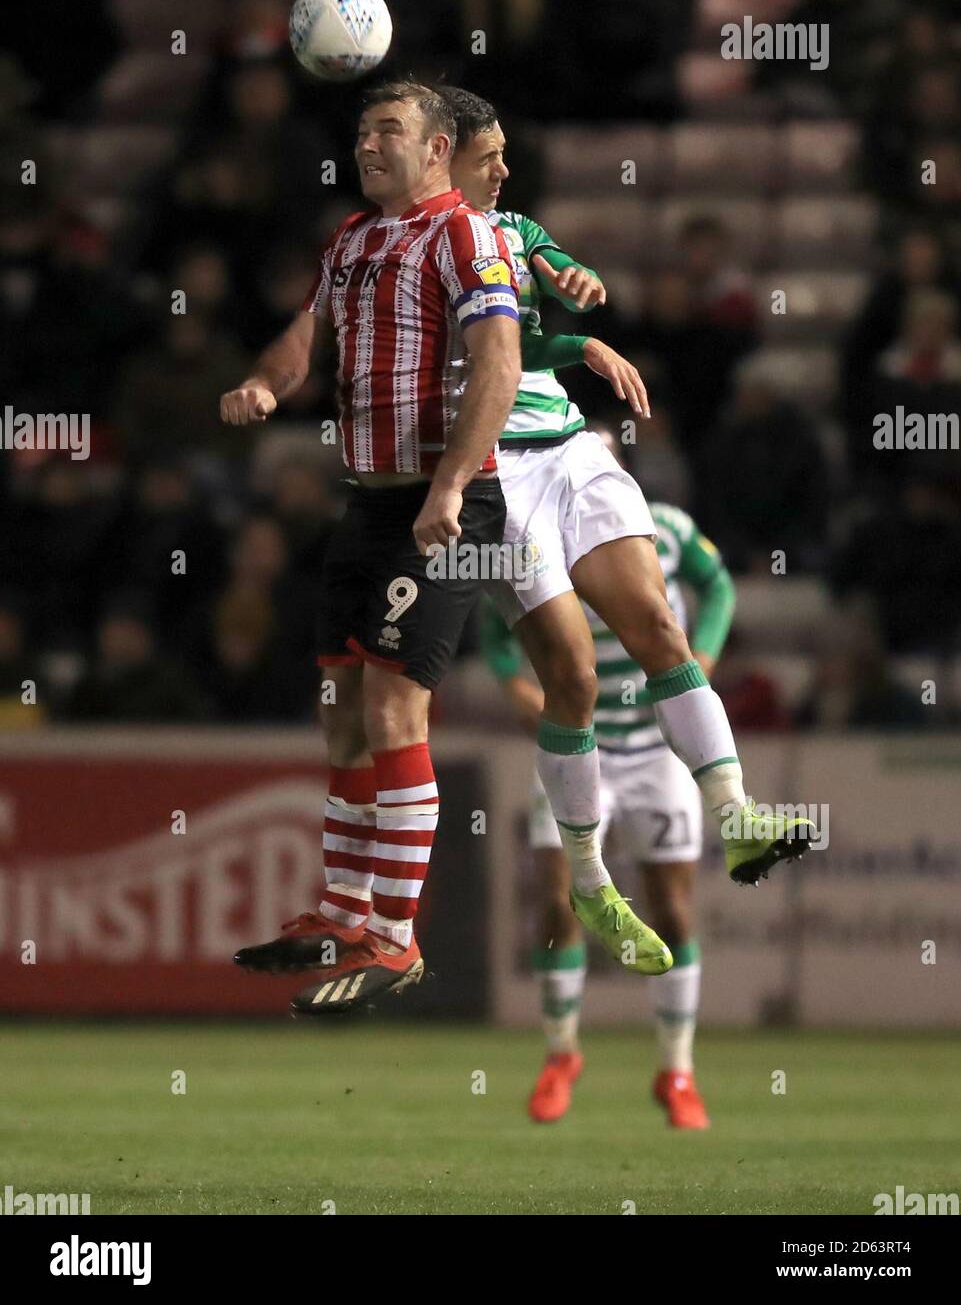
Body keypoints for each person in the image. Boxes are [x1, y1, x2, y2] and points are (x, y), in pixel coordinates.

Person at [439, 85, 815, 924]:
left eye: (505, 152)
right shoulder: (416, 252)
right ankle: (586, 872)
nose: (504, 169)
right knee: (571, 676)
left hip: (568, 443)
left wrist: (580, 306)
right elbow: (478, 353)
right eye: (487, 155)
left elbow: (546, 304)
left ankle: (736, 815)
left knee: (656, 625)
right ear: (441, 157)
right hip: (495, 466)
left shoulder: (514, 232)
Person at [220, 80, 522, 1013]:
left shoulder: (465, 234)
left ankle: (394, 937)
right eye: (360, 132)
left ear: (437, 149)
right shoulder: (351, 239)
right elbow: (300, 341)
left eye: (389, 130)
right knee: (341, 712)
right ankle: (345, 909)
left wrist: (447, 485)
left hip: (450, 508)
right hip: (368, 509)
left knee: (394, 709)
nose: (368, 145)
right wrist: (267, 384)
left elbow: (499, 364)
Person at [482, 475, 735, 1128]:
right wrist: (511, 679)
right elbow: (492, 608)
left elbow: (718, 585)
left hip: (657, 752)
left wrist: (702, 650)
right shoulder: (535, 535)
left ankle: (676, 1072)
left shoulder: (665, 527)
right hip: (579, 748)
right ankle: (561, 1053)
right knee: (556, 903)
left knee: (673, 910)